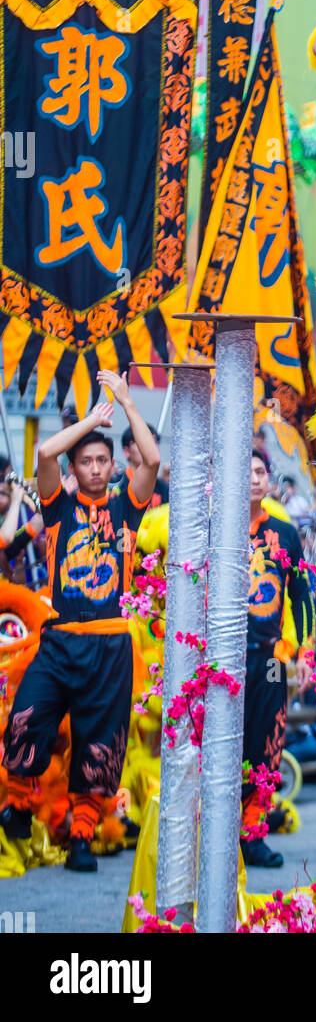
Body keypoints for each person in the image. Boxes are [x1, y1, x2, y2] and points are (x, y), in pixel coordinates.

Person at [0, 370, 158, 870]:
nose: (94, 468)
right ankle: (20, 803)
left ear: (113, 466)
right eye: (85, 461)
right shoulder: (57, 508)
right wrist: (93, 418)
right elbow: (45, 455)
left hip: (111, 645)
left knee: (100, 744)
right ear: (75, 468)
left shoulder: (127, 508)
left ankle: (84, 836)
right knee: (27, 718)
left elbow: (152, 459)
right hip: (60, 641)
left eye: (101, 460)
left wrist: (129, 403)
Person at [242, 450, 313, 868]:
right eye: (246, 470)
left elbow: (302, 596)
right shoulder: (213, 527)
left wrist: (302, 652)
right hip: (222, 659)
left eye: (259, 471)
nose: (253, 478)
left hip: (269, 656)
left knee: (267, 738)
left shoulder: (286, 534)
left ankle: (252, 832)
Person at [121, 424, 169, 509]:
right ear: (126, 451)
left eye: (154, 442)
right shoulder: (115, 485)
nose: (149, 448)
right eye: (142, 442)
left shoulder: (163, 488)